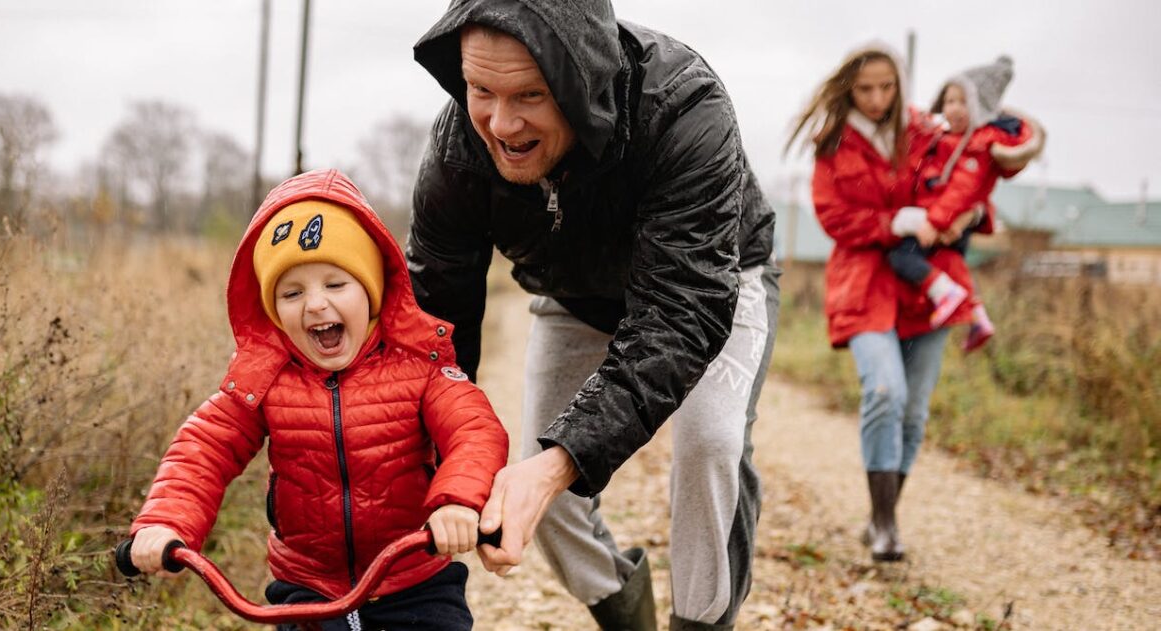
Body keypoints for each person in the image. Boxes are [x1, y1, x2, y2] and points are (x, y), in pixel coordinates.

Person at [407, 1, 778, 629]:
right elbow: (436, 327)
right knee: (541, 496)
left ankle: (703, 620)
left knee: (709, 442)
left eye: (530, 93)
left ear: (581, 79)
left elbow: (679, 316)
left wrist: (561, 463)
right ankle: (624, 612)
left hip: (713, 281)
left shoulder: (685, 107)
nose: (500, 122)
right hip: (573, 295)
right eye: (481, 90)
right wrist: (428, 459)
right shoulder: (457, 151)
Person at [125, 169, 509, 631]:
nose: (315, 305)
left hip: (413, 578)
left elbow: (475, 430)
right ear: (273, 310)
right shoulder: (265, 378)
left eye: (335, 284)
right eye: (292, 292)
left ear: (371, 289)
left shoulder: (418, 365)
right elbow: (204, 449)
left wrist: (457, 502)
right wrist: (165, 522)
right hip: (307, 585)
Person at [787, 46, 1036, 562]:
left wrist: (975, 212)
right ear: (848, 89)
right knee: (884, 391)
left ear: (899, 85)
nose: (878, 98)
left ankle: (885, 517)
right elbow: (834, 218)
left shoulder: (924, 129)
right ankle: (883, 524)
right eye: (865, 89)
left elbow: (975, 164)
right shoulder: (832, 143)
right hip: (864, 283)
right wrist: (895, 223)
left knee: (914, 411)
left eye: (887, 87)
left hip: (929, 283)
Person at [891, 55, 1044, 351]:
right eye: (949, 100)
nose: (953, 109)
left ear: (979, 108)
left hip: (943, 222)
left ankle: (945, 294)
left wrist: (935, 223)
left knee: (901, 258)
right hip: (947, 221)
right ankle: (977, 316)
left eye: (963, 102)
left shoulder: (975, 146)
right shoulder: (945, 140)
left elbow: (961, 191)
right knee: (951, 264)